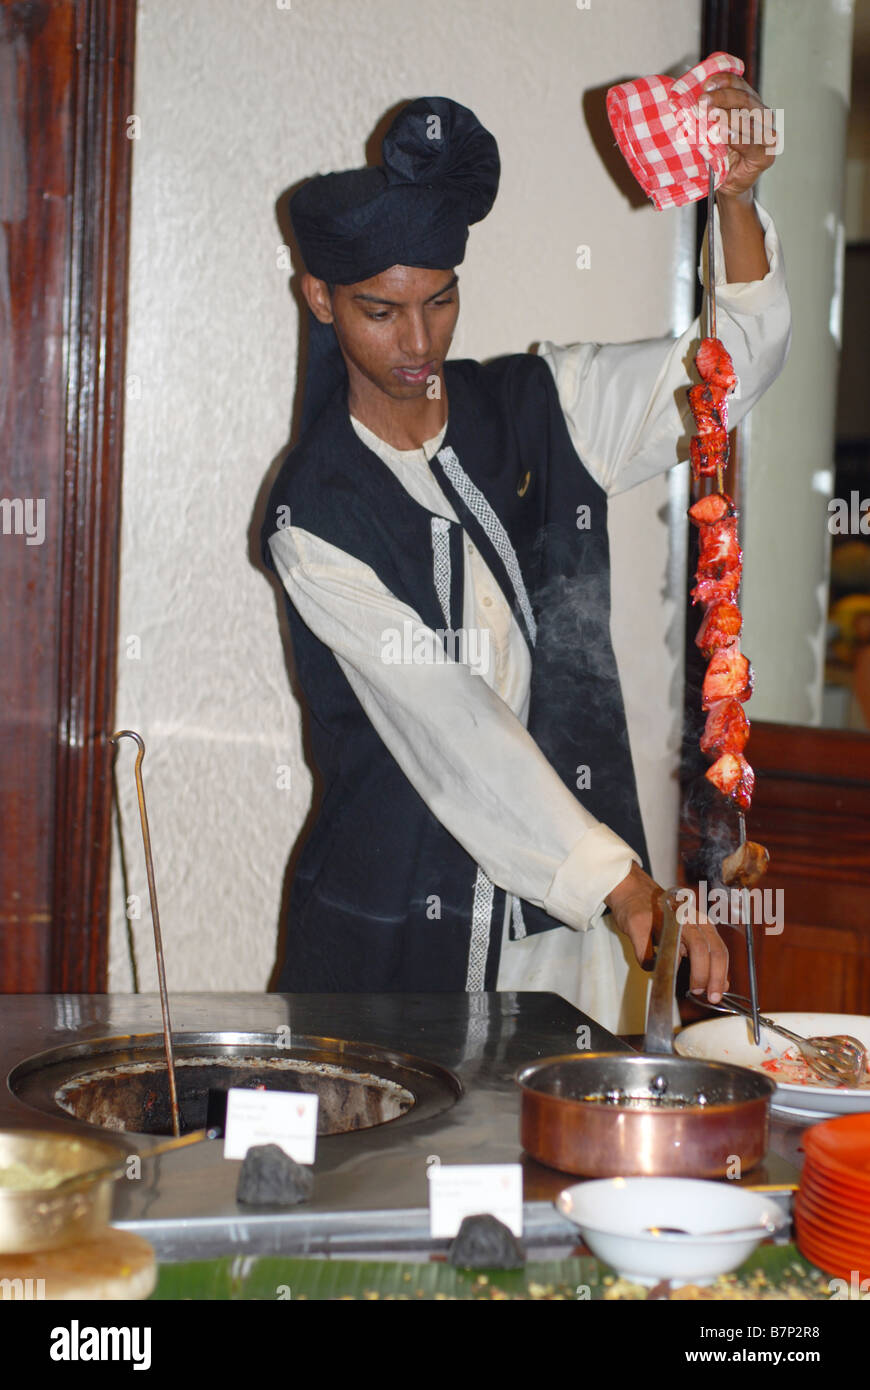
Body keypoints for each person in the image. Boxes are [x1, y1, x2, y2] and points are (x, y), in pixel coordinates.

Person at [261, 83, 790, 1029]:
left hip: (562, 933)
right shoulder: (316, 516)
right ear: (320, 300)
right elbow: (458, 731)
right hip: (391, 937)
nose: (418, 342)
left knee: (563, 1161)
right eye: (381, 311)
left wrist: (736, 199)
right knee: (376, 1171)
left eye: (441, 301)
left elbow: (730, 367)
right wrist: (624, 884)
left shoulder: (545, 405)